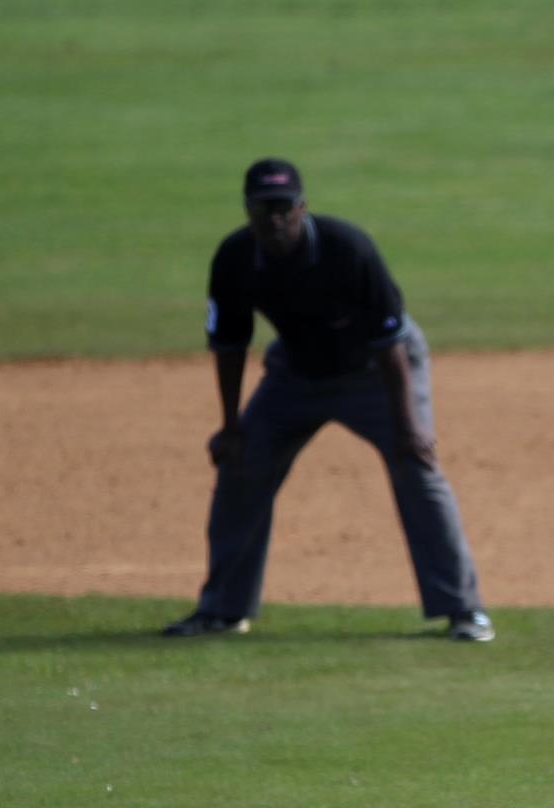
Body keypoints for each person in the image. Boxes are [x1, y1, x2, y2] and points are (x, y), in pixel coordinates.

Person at [163, 158, 493, 641]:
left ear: (302, 208)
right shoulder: (235, 258)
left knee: (416, 465)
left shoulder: (347, 249)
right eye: (262, 209)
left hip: (376, 374)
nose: (274, 219)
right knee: (242, 464)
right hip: (295, 374)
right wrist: (230, 426)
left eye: (283, 208)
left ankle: (463, 610)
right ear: (247, 211)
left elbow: (391, 344)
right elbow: (229, 345)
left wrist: (406, 427)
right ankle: (224, 610)